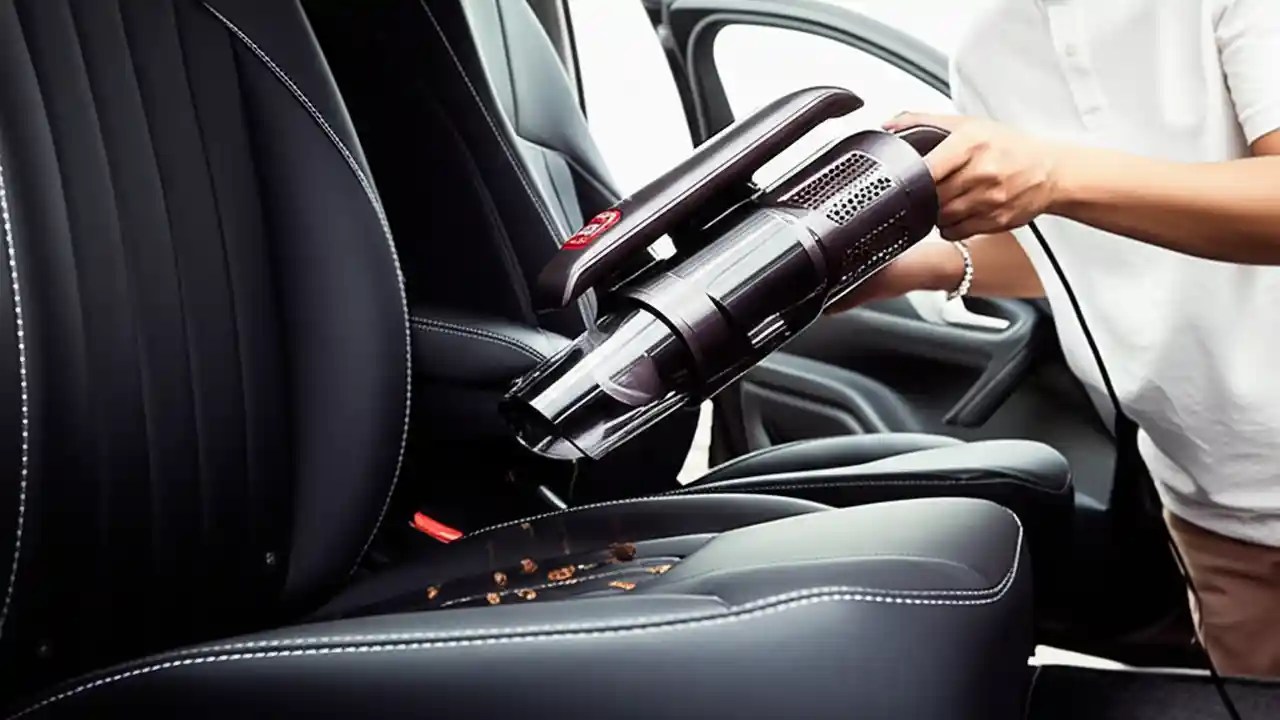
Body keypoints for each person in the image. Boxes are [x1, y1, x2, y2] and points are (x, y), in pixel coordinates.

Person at [830, 0, 1280, 677]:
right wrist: (910, 268)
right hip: (1213, 507)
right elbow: (1074, 243)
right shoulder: (989, 47)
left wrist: (1053, 175)